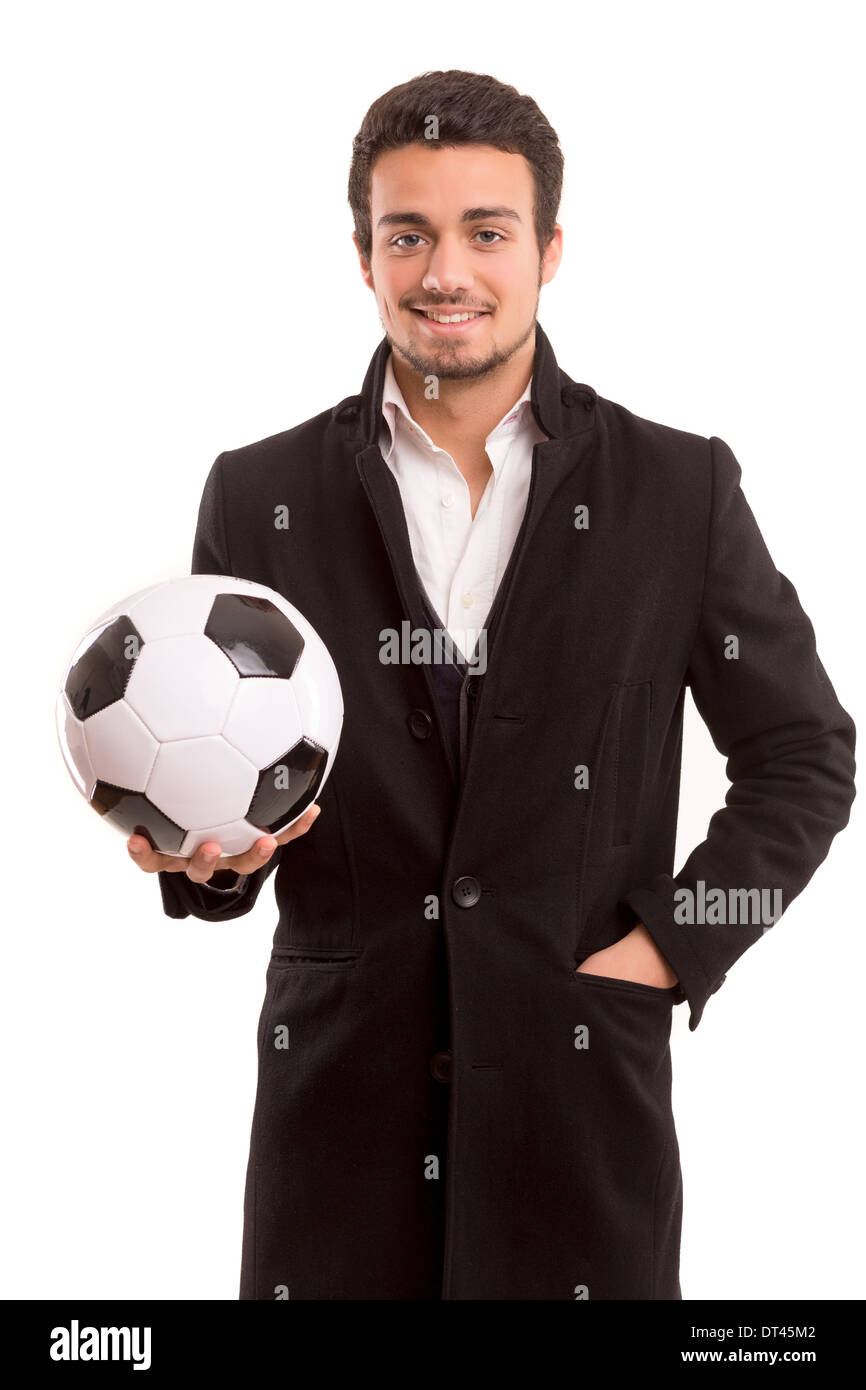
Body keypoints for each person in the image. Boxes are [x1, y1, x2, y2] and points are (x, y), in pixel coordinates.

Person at [126, 70, 856, 1300]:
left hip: (577, 1122)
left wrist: (678, 947)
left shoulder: (677, 492)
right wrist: (210, 864)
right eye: (406, 234)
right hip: (336, 1138)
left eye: (485, 231)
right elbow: (234, 797)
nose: (443, 272)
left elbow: (805, 755)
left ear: (549, 249)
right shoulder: (257, 495)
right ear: (362, 255)